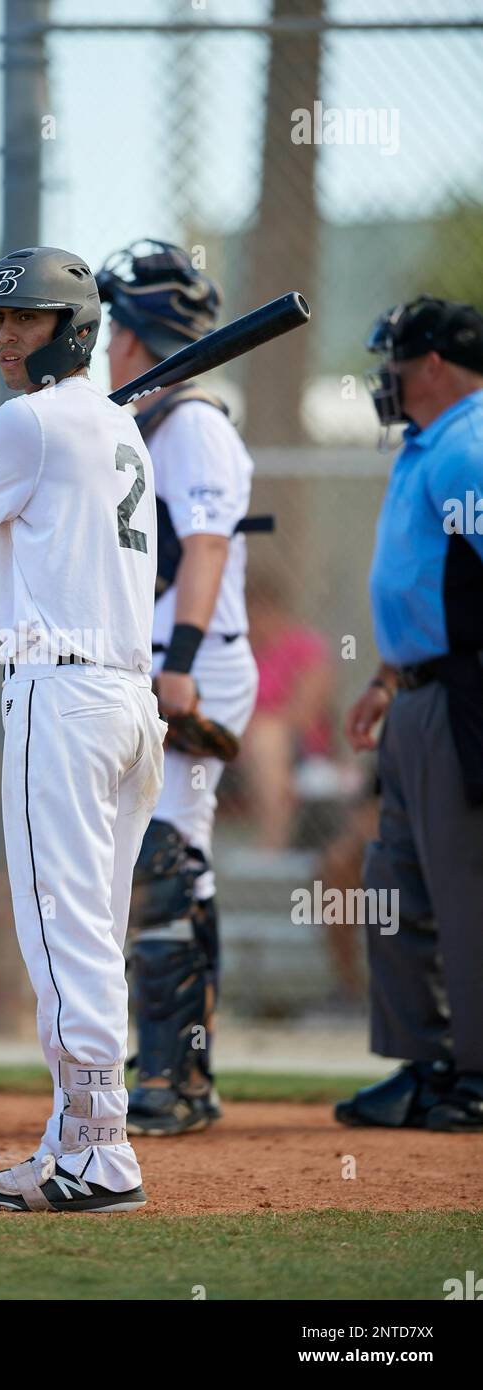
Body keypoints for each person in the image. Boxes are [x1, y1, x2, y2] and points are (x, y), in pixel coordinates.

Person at [0, 246, 165, 1213]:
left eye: (27, 321)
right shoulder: (119, 429)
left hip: (61, 700)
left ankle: (101, 1154)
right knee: (90, 932)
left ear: (73, 329)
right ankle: (75, 1136)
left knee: (65, 936)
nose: (7, 336)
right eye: (1, 322)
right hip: (127, 709)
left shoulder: (24, 423)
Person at [98, 240, 259, 1136]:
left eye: (118, 325)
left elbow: (207, 549)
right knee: (171, 861)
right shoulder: (151, 421)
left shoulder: (193, 423)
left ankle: (169, 1074)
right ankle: (179, 1067)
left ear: (142, 335)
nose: (108, 342)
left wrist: (183, 664)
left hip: (194, 661)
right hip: (164, 661)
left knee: (162, 859)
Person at [337, 295, 483, 1132]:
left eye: (394, 360)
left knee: (465, 893)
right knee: (395, 882)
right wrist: (387, 680)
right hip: (418, 693)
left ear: (433, 365)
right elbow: (426, 582)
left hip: (465, 695)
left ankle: (476, 1075)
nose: (382, 378)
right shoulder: (428, 445)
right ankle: (425, 1065)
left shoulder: (469, 444)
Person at [243, 571, 334, 850]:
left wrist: (255, 723)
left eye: (263, 611)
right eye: (250, 612)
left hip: (296, 744)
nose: (257, 621)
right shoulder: (237, 649)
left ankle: (272, 844)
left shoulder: (305, 647)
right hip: (238, 738)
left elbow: (304, 714)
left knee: (266, 739)